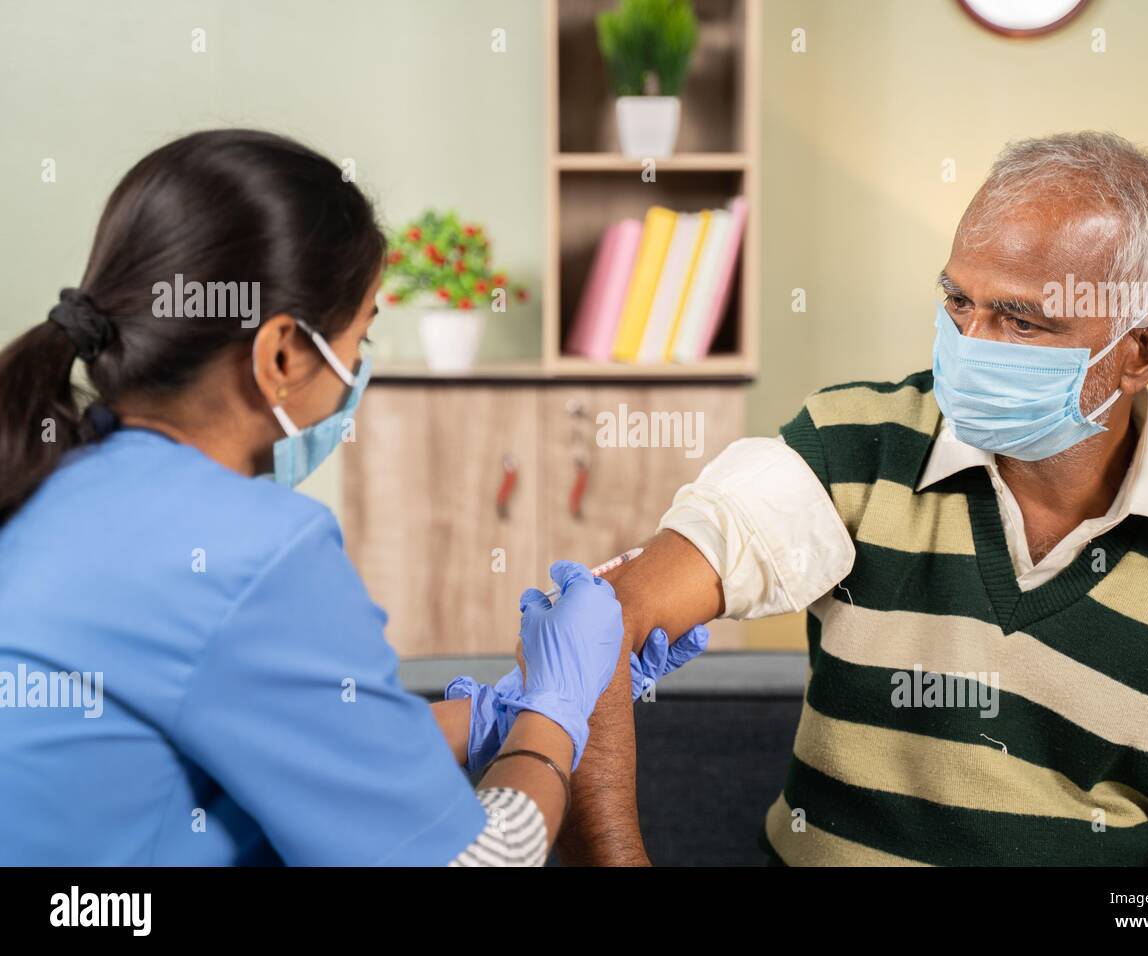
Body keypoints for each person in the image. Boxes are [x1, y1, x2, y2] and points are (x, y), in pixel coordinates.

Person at [559, 131, 1148, 866]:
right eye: (957, 301)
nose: (969, 344)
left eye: (1020, 319)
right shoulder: (851, 447)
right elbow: (605, 620)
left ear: (1142, 350)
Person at [0, 128, 679, 866]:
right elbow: (486, 857)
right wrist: (556, 713)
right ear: (283, 354)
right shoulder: (251, 552)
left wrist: (497, 711)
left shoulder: (54, 479)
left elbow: (277, 719)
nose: (360, 368)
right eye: (362, 336)